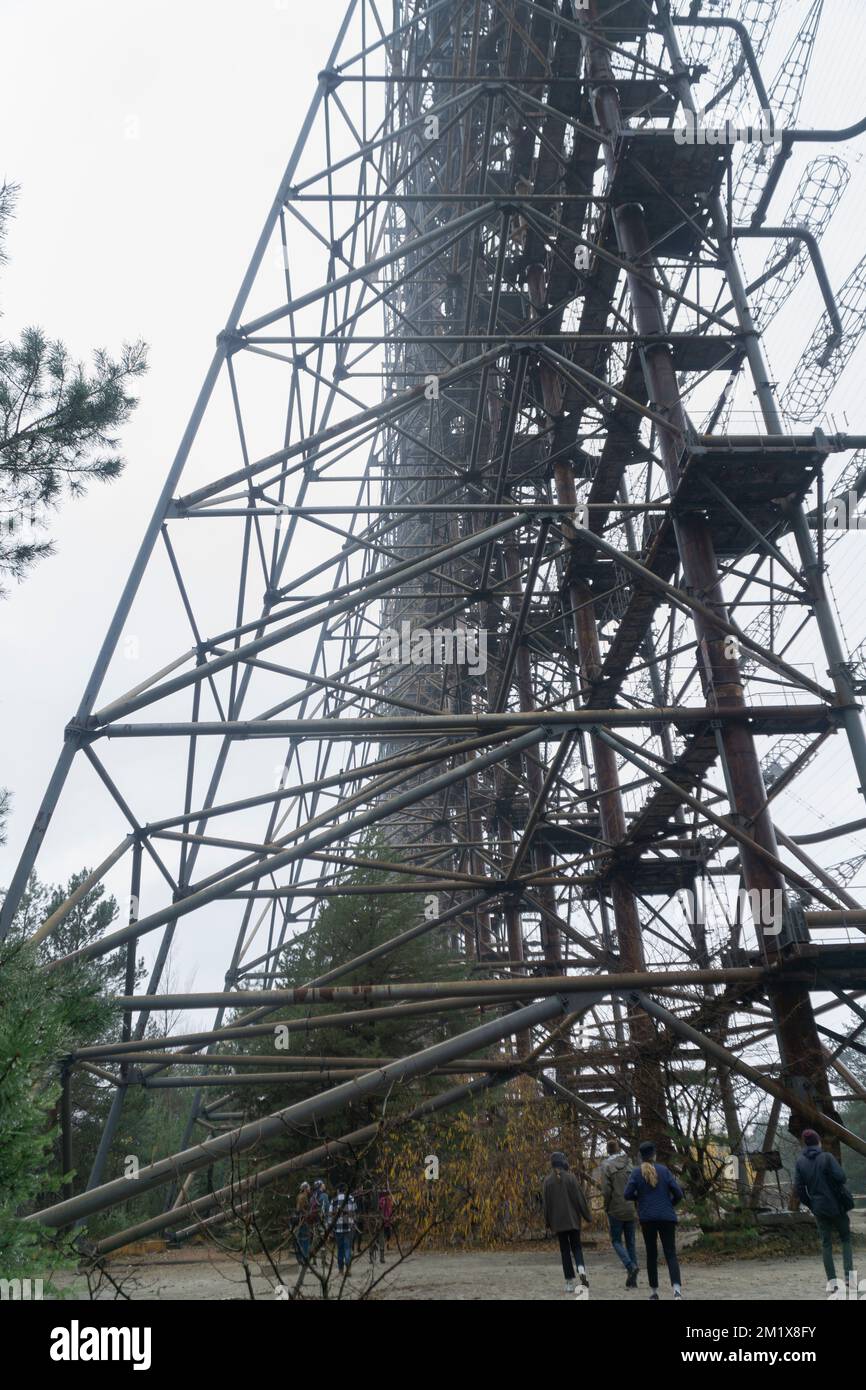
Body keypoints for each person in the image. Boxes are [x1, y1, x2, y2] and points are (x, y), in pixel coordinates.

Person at [793, 1128, 855, 1292]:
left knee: (826, 1244)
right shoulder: (827, 1157)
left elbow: (799, 1189)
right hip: (837, 1206)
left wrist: (812, 1204)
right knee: (846, 1239)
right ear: (818, 1141)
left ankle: (832, 1283)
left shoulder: (800, 1162)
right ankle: (850, 1279)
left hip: (819, 1208)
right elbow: (841, 1177)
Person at [624, 1141, 684, 1301]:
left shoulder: (636, 1173)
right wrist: (669, 1204)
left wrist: (640, 1199)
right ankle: (677, 1291)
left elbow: (627, 1194)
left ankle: (654, 1292)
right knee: (671, 1253)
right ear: (654, 1155)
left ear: (641, 1156)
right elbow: (678, 1193)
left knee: (651, 1254)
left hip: (647, 1218)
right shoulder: (664, 1171)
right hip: (667, 1218)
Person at [542, 1151, 591, 1294]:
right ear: (563, 1162)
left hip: (558, 1222)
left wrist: (547, 1222)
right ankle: (581, 1269)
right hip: (573, 1221)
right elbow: (580, 1199)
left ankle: (569, 1282)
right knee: (577, 1247)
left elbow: (546, 1205)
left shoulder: (547, 1181)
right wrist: (587, 1216)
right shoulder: (571, 1178)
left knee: (564, 1250)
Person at [601, 1139, 640, 1288]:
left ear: (607, 1151)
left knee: (616, 1241)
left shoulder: (606, 1166)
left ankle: (630, 1267)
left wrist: (607, 1206)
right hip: (630, 1207)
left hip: (615, 1209)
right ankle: (633, 1280)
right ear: (618, 1150)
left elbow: (606, 1190)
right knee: (631, 1243)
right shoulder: (629, 1163)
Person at [331, 1183, 357, 1277]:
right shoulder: (351, 1198)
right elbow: (354, 1212)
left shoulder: (334, 1200)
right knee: (347, 1248)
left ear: (338, 1190)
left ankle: (341, 1270)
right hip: (349, 1228)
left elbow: (331, 1214)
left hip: (338, 1229)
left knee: (340, 1250)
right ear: (345, 1190)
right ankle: (348, 1269)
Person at [294, 1181, 313, 1265]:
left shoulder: (299, 1196)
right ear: (305, 1188)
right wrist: (307, 1214)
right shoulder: (303, 1197)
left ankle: (300, 1258)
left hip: (300, 1220)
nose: (309, 1189)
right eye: (308, 1187)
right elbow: (299, 1209)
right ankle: (304, 1258)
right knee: (305, 1239)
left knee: (300, 1239)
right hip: (303, 1221)